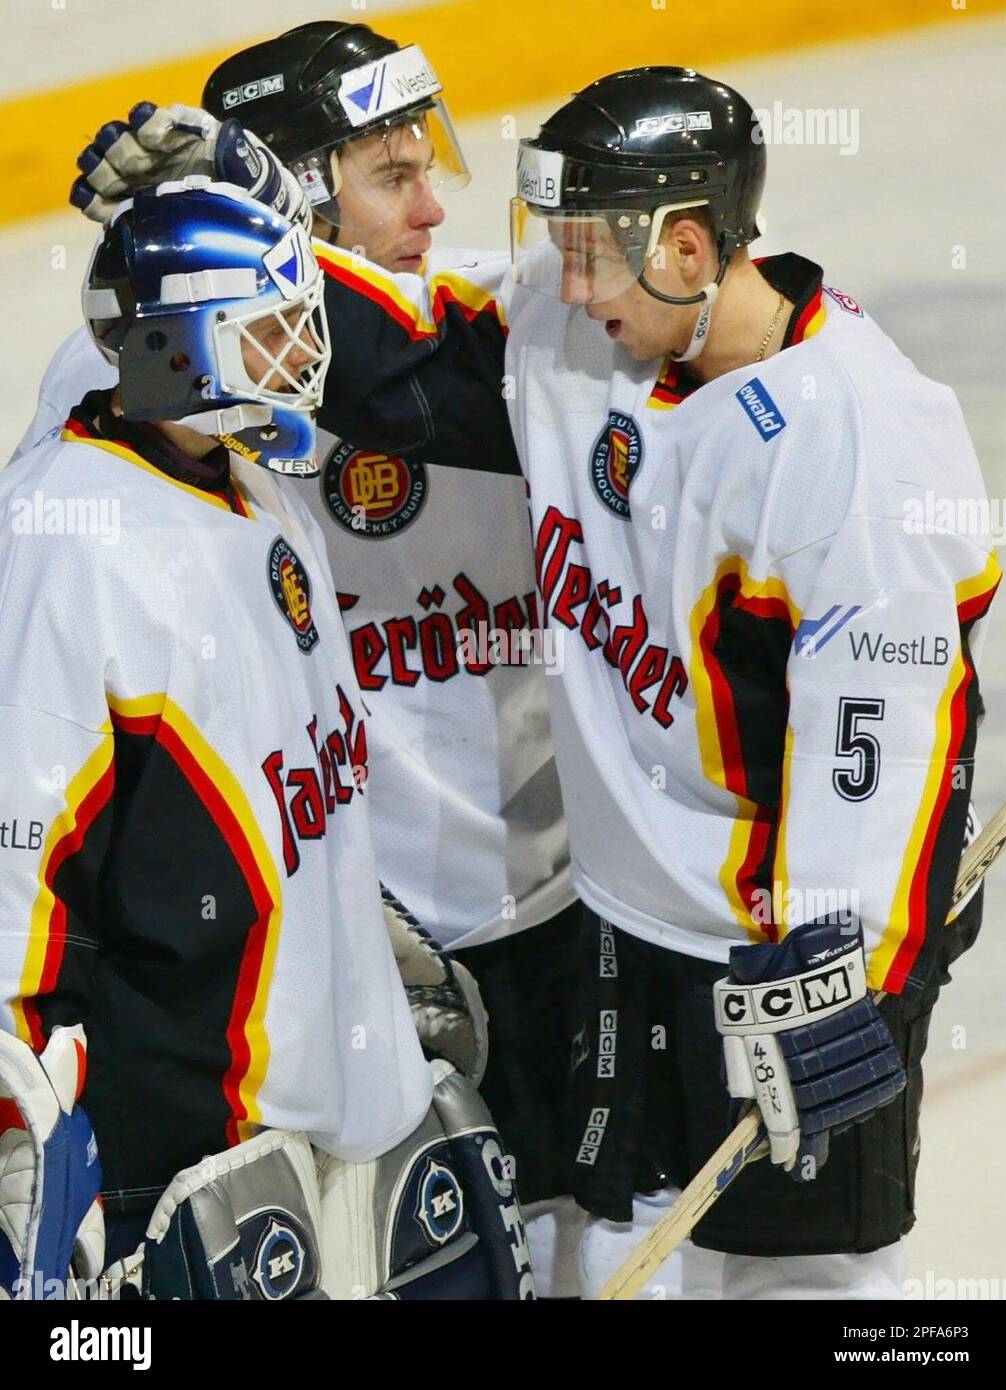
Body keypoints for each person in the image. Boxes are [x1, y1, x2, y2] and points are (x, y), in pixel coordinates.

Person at [29, 22, 583, 1293]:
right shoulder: (118, 415)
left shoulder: (490, 329)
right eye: (390, 174)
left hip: (516, 927)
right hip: (266, 998)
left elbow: (411, 371)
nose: (433, 203)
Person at [501, 66, 999, 1298]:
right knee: (614, 1237)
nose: (562, 288)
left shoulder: (853, 441)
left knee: (808, 1278)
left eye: (587, 256)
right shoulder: (593, 326)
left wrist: (838, 976)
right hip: (627, 915)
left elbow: (887, 722)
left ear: (681, 244)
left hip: (772, 945)